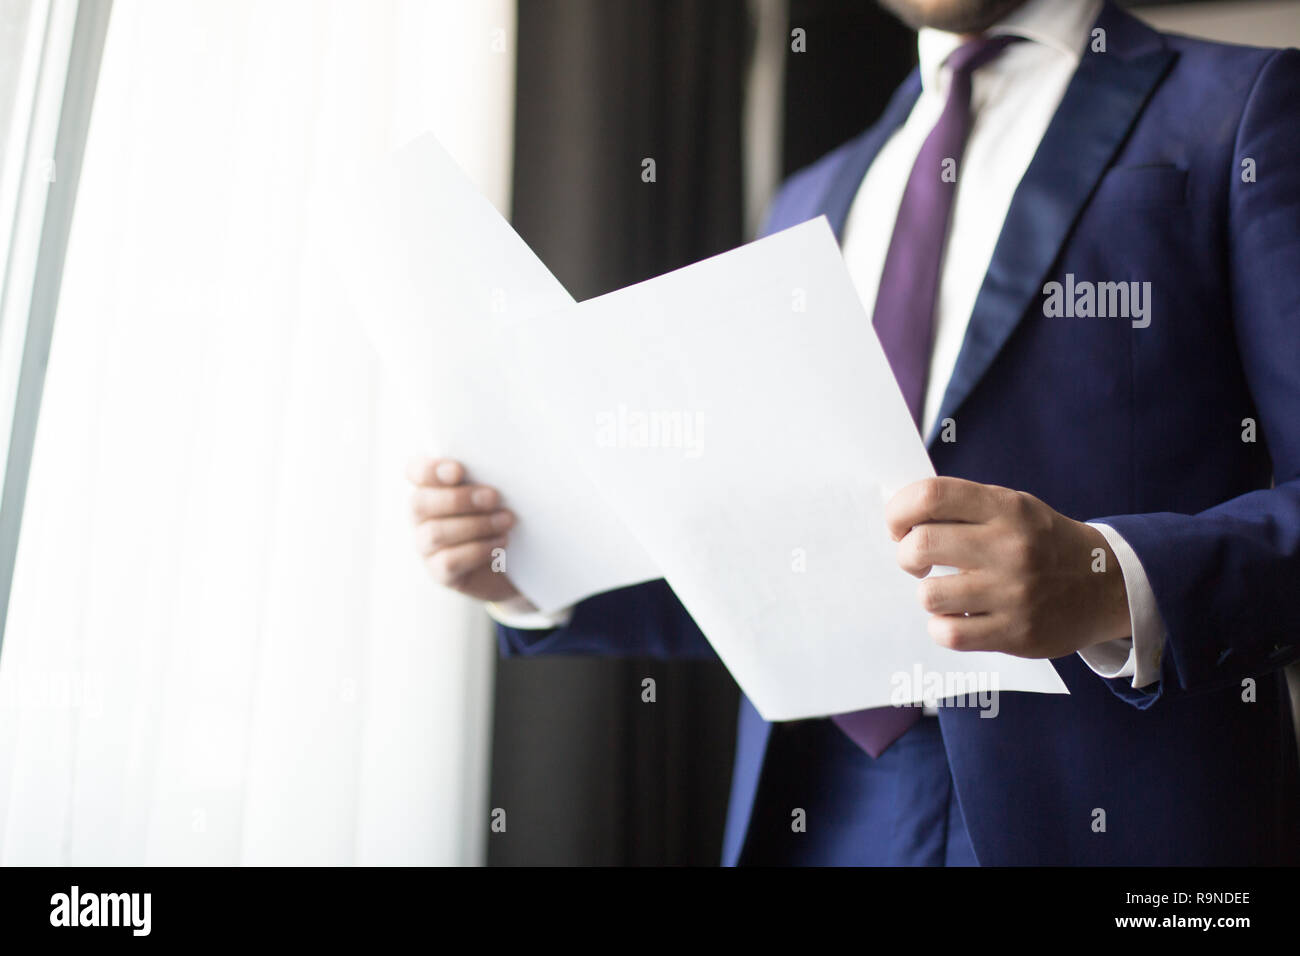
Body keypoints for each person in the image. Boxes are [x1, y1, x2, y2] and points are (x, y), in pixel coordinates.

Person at [407, 0, 1300, 864]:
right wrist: (532, 564)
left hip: (1121, 814)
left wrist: (1109, 582)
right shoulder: (805, 201)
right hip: (822, 807)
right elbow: (758, 562)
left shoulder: (1246, 110)